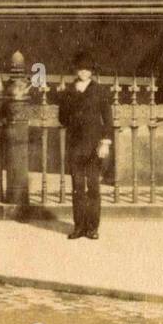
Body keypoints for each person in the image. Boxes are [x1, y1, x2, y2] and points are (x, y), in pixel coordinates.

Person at [57, 53, 113, 240]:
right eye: (80, 68)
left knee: (93, 187)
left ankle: (92, 227)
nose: (83, 72)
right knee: (77, 187)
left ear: (92, 71)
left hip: (93, 145)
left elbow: (108, 120)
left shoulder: (100, 91)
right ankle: (79, 226)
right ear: (76, 70)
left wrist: (105, 143)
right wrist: (65, 104)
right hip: (75, 145)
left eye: (87, 69)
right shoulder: (68, 91)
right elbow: (62, 118)